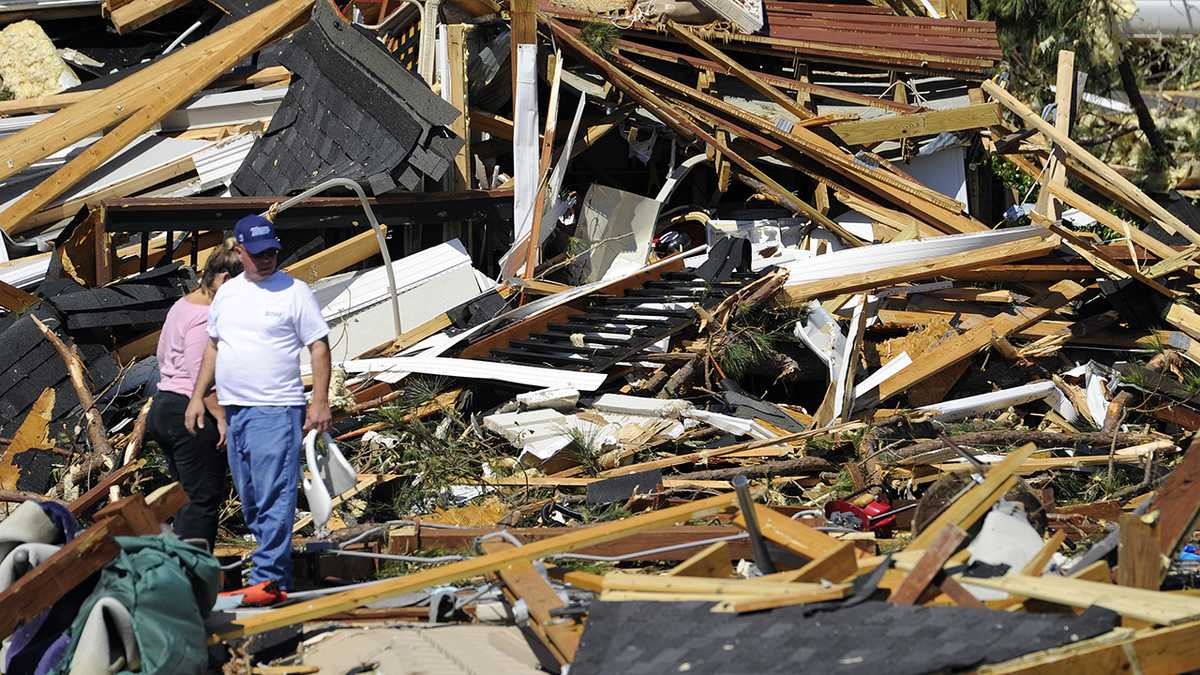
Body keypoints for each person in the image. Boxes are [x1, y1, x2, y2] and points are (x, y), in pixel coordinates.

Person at [185, 214, 332, 604]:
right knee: (251, 497)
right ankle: (274, 578)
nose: (267, 259)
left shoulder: (294, 292)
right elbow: (213, 347)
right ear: (239, 251)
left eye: (272, 252)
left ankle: (270, 580)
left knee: (274, 495)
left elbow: (318, 345)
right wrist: (198, 396)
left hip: (277, 407)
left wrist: (319, 401)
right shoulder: (229, 294)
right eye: (258, 253)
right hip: (236, 410)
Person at [147, 239, 243, 553]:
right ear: (225, 280)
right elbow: (200, 373)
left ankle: (180, 568)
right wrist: (222, 416)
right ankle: (195, 575)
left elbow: (162, 356)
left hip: (164, 407)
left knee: (185, 495)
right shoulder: (204, 317)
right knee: (201, 499)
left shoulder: (183, 305)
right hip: (191, 411)